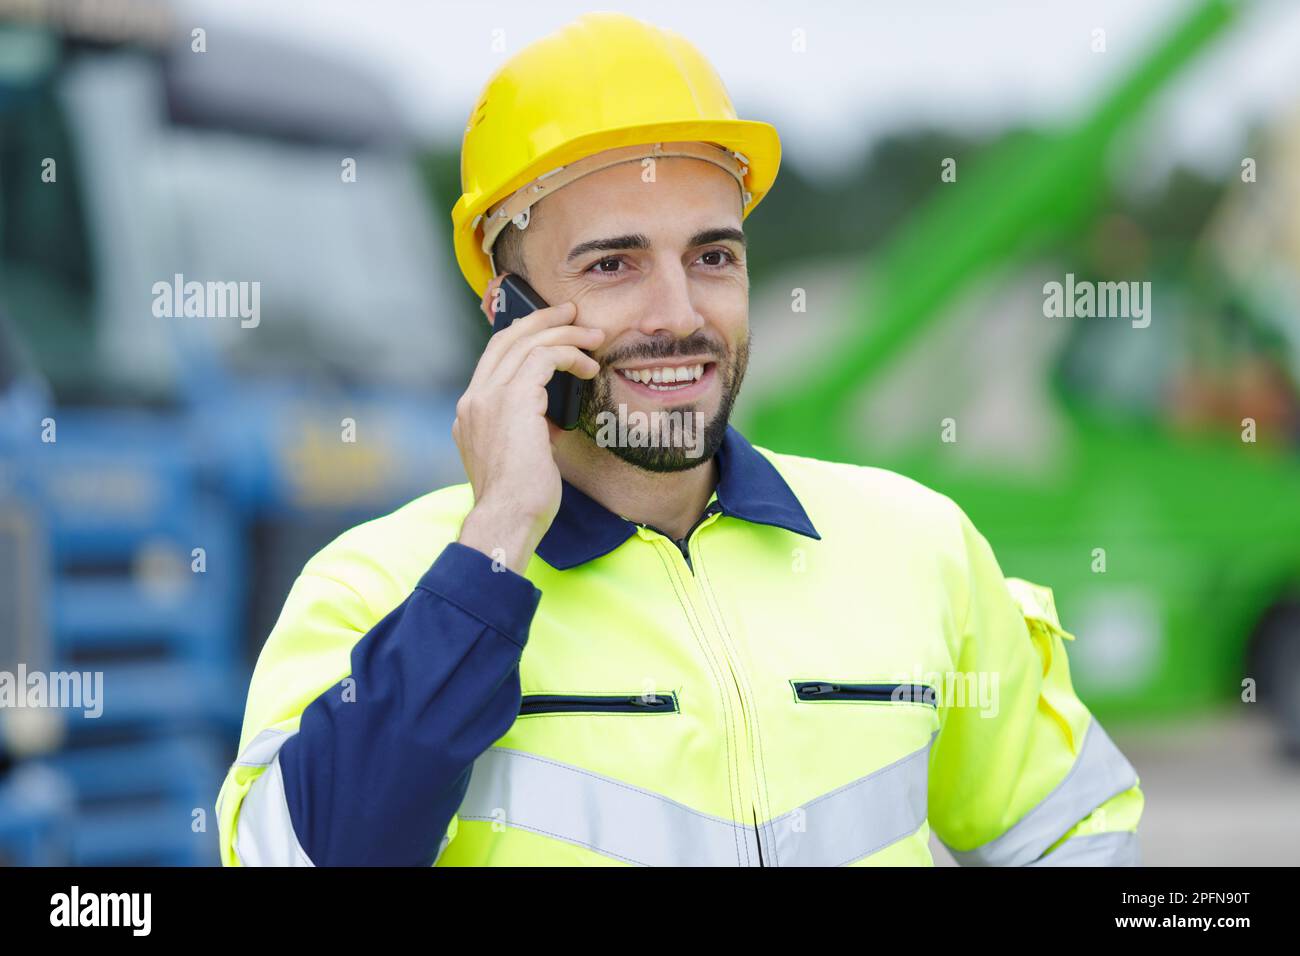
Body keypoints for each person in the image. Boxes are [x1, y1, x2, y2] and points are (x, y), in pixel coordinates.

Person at [216, 11, 1143, 867]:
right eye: (614, 264)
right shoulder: (374, 590)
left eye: (713, 257)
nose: (680, 314)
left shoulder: (918, 547)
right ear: (510, 310)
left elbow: (1076, 832)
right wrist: (493, 548)